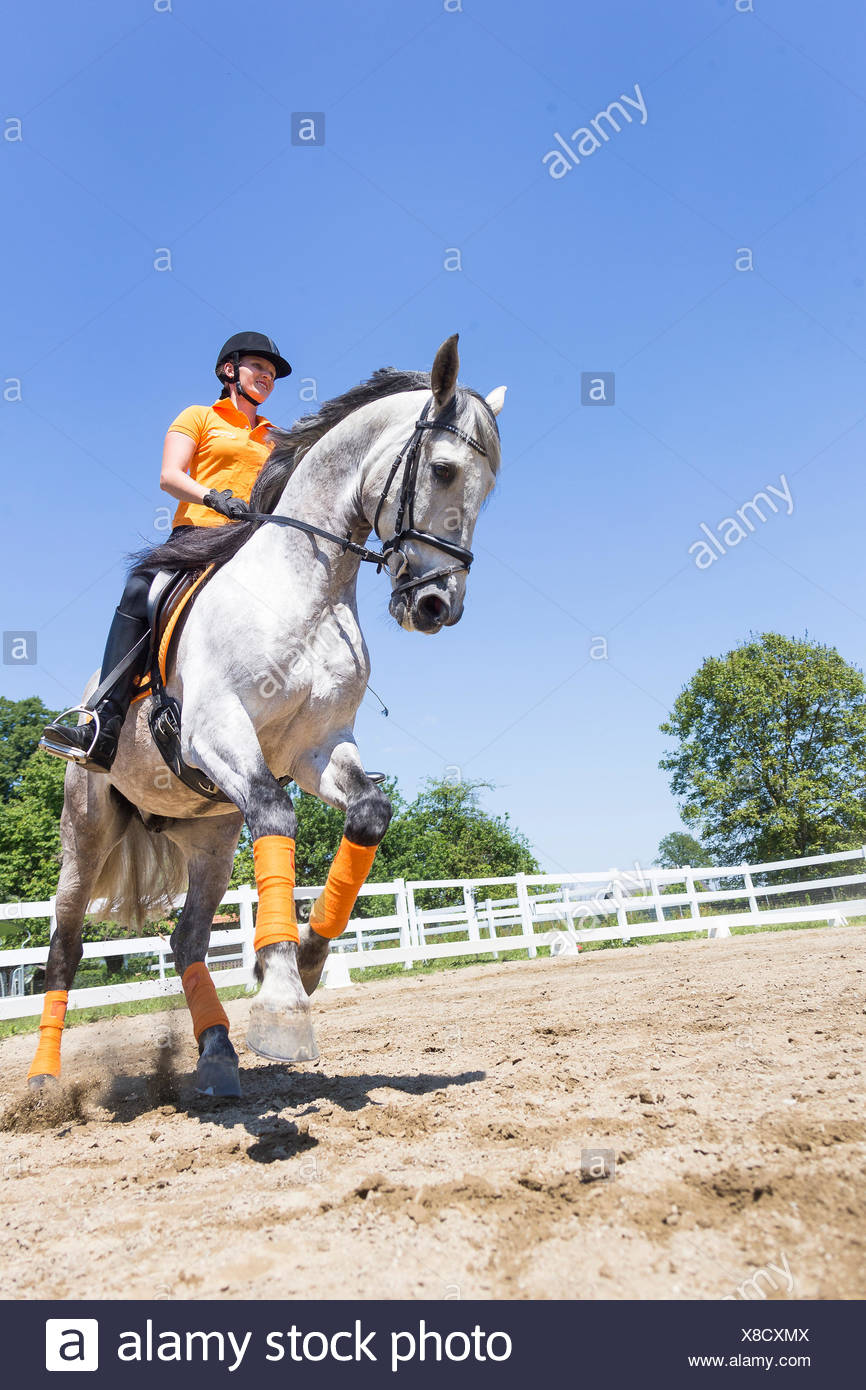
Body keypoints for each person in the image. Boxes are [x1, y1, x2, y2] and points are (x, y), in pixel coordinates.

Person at [41, 331, 291, 772]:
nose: (267, 377)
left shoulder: (277, 439)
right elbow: (169, 476)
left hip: (253, 545)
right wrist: (214, 497)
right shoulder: (198, 416)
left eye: (272, 374)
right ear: (229, 370)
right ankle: (102, 724)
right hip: (199, 535)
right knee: (140, 588)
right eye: (259, 368)